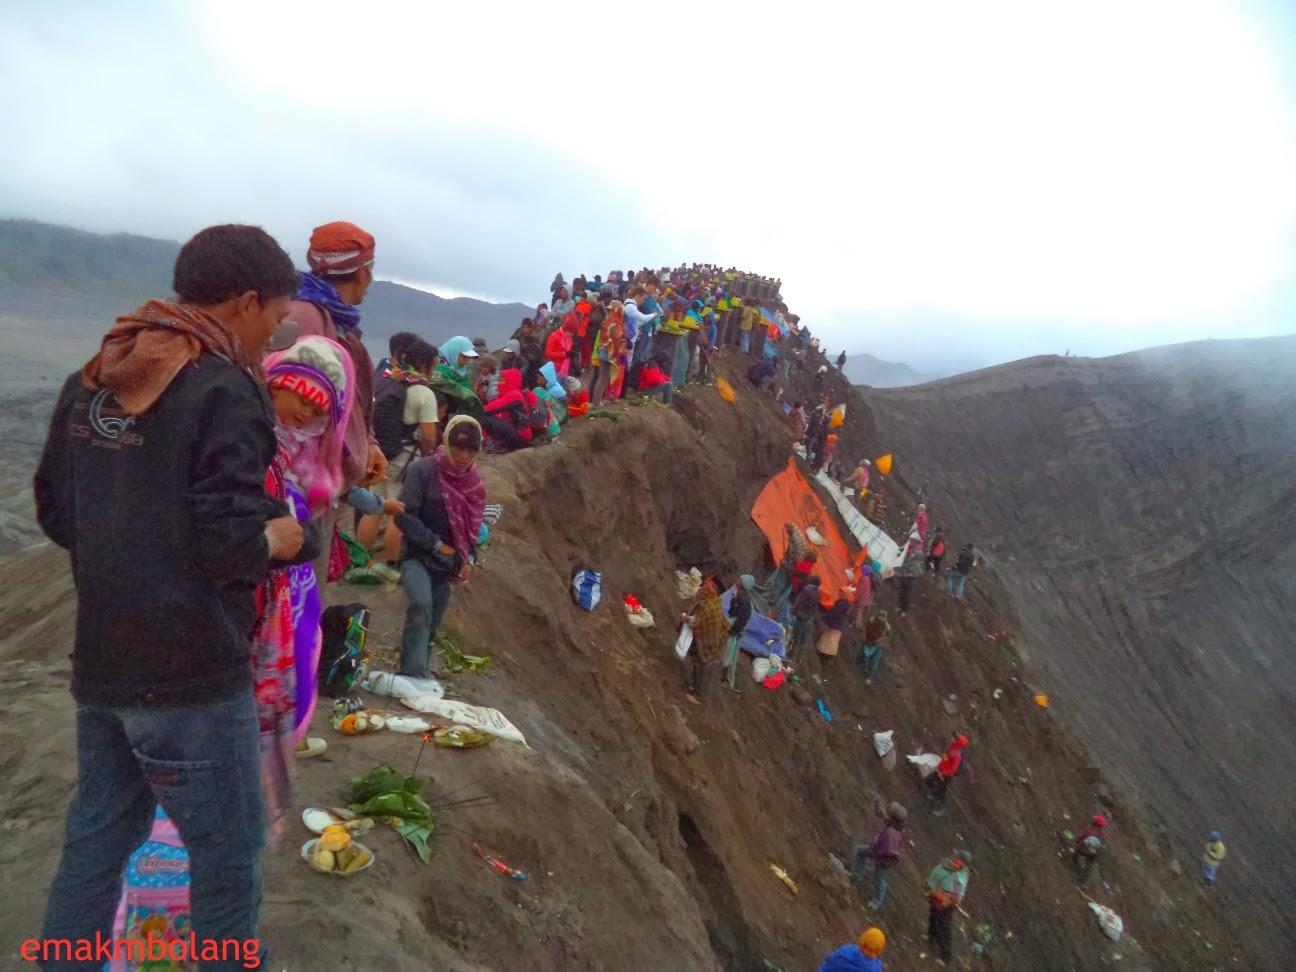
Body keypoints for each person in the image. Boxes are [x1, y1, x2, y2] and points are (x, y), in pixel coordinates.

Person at [34, 224, 305, 966]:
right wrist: (282, 541)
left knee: (96, 841)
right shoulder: (224, 389)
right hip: (191, 676)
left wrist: (130, 552)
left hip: (103, 665)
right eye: (274, 315)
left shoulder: (95, 376)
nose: (273, 333)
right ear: (245, 302)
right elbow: (231, 549)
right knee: (228, 859)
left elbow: (58, 515)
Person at [263, 335, 363, 767]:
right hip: (261, 566)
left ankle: (283, 735)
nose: (304, 413)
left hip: (286, 570)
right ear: (276, 383)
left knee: (300, 641)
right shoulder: (253, 435)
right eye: (301, 399)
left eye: (317, 409)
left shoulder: (303, 447)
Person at [394, 415, 486, 679]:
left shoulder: (473, 484)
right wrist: (437, 545)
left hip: (447, 565)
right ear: (447, 442)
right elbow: (403, 516)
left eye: (471, 449)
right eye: (458, 447)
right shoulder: (422, 471)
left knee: (433, 620)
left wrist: (468, 558)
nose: (463, 455)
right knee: (421, 605)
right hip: (417, 556)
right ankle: (411, 673)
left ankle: (419, 671)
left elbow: (471, 528)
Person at [360, 339, 442, 564]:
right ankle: (393, 563)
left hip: (381, 454)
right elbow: (427, 436)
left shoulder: (389, 381)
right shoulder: (424, 394)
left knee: (374, 507)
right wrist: (428, 454)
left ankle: (359, 559)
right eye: (433, 366)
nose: (434, 371)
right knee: (400, 512)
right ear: (424, 365)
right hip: (404, 460)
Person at [852, 802, 907, 909]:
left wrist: (880, 858)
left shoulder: (892, 834)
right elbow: (887, 821)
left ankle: (877, 902)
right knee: (860, 851)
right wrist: (880, 812)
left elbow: (890, 851)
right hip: (877, 851)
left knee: (879, 880)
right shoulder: (897, 826)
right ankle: (856, 875)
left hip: (882, 858)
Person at [682, 577, 728, 704]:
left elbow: (699, 623)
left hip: (709, 641)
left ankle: (698, 695)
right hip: (704, 639)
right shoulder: (710, 600)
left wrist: (687, 620)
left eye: (709, 583)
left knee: (701, 664)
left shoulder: (711, 605)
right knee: (697, 661)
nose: (705, 584)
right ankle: (693, 686)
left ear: (713, 587)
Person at [927, 850, 972, 964]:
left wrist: (945, 900)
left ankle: (945, 955)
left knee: (943, 926)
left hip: (944, 902)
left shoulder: (960, 875)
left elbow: (955, 896)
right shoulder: (951, 866)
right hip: (938, 896)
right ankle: (931, 937)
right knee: (933, 917)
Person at [722, 575, 752, 693]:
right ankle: (725, 678)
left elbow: (742, 619)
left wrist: (734, 631)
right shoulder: (738, 596)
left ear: (744, 585)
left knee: (731, 655)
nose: (737, 580)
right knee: (728, 653)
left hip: (736, 630)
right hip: (734, 627)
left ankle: (729, 682)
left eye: (740, 579)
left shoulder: (744, 600)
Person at [929, 733, 969, 813]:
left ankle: (940, 808)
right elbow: (945, 758)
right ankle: (932, 795)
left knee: (941, 791)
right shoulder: (951, 748)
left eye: (955, 739)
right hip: (941, 771)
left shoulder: (957, 755)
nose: (952, 739)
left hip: (947, 776)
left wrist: (943, 773)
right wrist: (939, 767)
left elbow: (953, 769)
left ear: (958, 743)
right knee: (930, 780)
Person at [817, 927, 886, 972]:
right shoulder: (874, 969)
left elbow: (829, 961)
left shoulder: (847, 950)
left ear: (863, 939)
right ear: (878, 951)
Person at [792, 575, 822, 656]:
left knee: (797, 634)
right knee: (804, 636)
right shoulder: (818, 593)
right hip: (809, 617)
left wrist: (792, 611)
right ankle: (799, 656)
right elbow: (815, 607)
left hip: (801, 614)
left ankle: (793, 655)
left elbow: (799, 602)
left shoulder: (806, 590)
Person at [1073, 814, 1108, 883]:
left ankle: (1074, 862)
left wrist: (1077, 840)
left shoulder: (1090, 828)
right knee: (1089, 864)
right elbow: (1103, 844)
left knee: (1077, 851)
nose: (1093, 821)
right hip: (1094, 851)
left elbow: (1083, 835)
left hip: (1085, 846)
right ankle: (1083, 879)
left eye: (1094, 820)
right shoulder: (1103, 834)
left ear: (1096, 823)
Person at [858, 610, 891, 683]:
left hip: (877, 645)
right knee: (861, 653)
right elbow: (865, 628)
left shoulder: (887, 627)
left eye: (882, 619)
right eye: (879, 618)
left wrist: (881, 639)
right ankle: (861, 664)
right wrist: (864, 636)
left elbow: (887, 636)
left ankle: (869, 677)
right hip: (868, 640)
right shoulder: (871, 620)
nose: (880, 621)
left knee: (873, 662)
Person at [818, 594, 850, 659]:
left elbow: (832, 615)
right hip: (839, 628)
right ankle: (830, 656)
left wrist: (826, 620)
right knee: (834, 643)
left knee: (827, 641)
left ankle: (823, 653)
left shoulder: (838, 607)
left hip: (833, 626)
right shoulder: (846, 608)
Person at [897, 551, 923, 618]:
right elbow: (904, 568)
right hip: (904, 580)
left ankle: (904, 611)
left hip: (909, 583)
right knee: (901, 594)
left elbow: (920, 573)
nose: (912, 554)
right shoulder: (910, 560)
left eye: (914, 554)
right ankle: (900, 607)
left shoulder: (916, 564)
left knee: (906, 597)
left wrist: (911, 575)